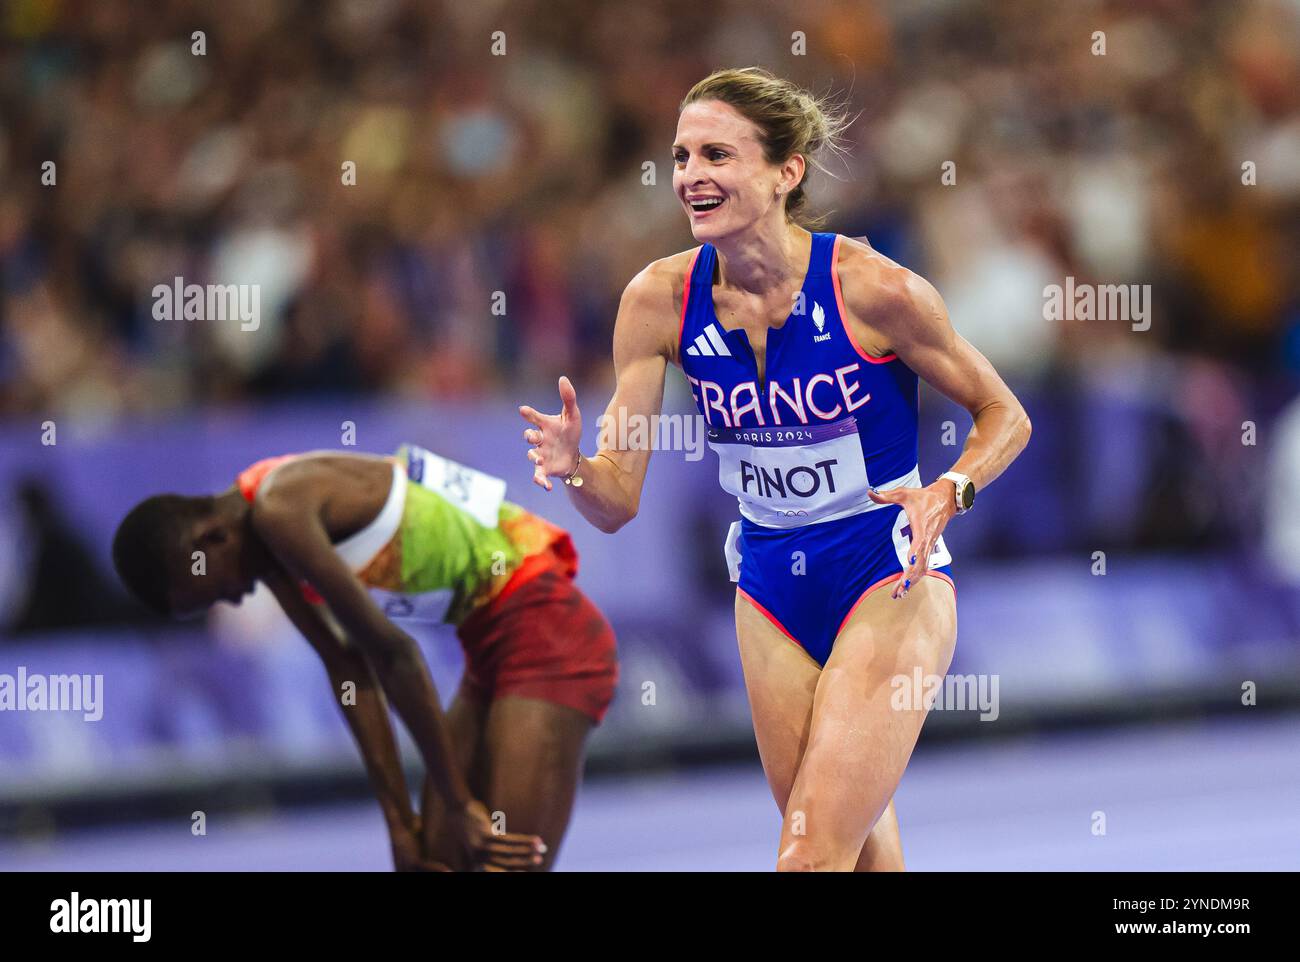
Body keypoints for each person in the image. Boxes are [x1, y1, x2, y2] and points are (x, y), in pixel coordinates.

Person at [519, 67, 1031, 871]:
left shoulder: (874, 288)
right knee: (855, 854)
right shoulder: (657, 300)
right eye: (682, 157)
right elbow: (616, 499)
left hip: (887, 570)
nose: (691, 176)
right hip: (768, 585)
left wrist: (952, 487)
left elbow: (1006, 414)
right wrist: (576, 467)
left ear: (785, 172)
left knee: (807, 854)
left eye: (717, 154)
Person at [112, 443, 618, 871]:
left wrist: (461, 803)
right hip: (487, 647)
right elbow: (347, 668)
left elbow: (396, 656)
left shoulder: (279, 510)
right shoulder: (257, 539)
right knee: (435, 858)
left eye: (214, 590)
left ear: (210, 538)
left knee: (505, 862)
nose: (232, 598)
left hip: (551, 634)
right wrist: (399, 822)